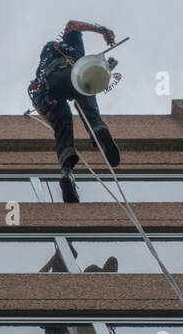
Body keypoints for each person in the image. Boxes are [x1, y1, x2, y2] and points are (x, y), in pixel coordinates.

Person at [28, 20, 122, 203]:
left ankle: (67, 172)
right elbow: (72, 24)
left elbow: (38, 106)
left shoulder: (43, 64)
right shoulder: (71, 45)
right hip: (69, 75)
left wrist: (54, 122)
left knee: (63, 127)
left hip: (47, 91)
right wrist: (103, 30)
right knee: (85, 86)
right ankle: (98, 128)